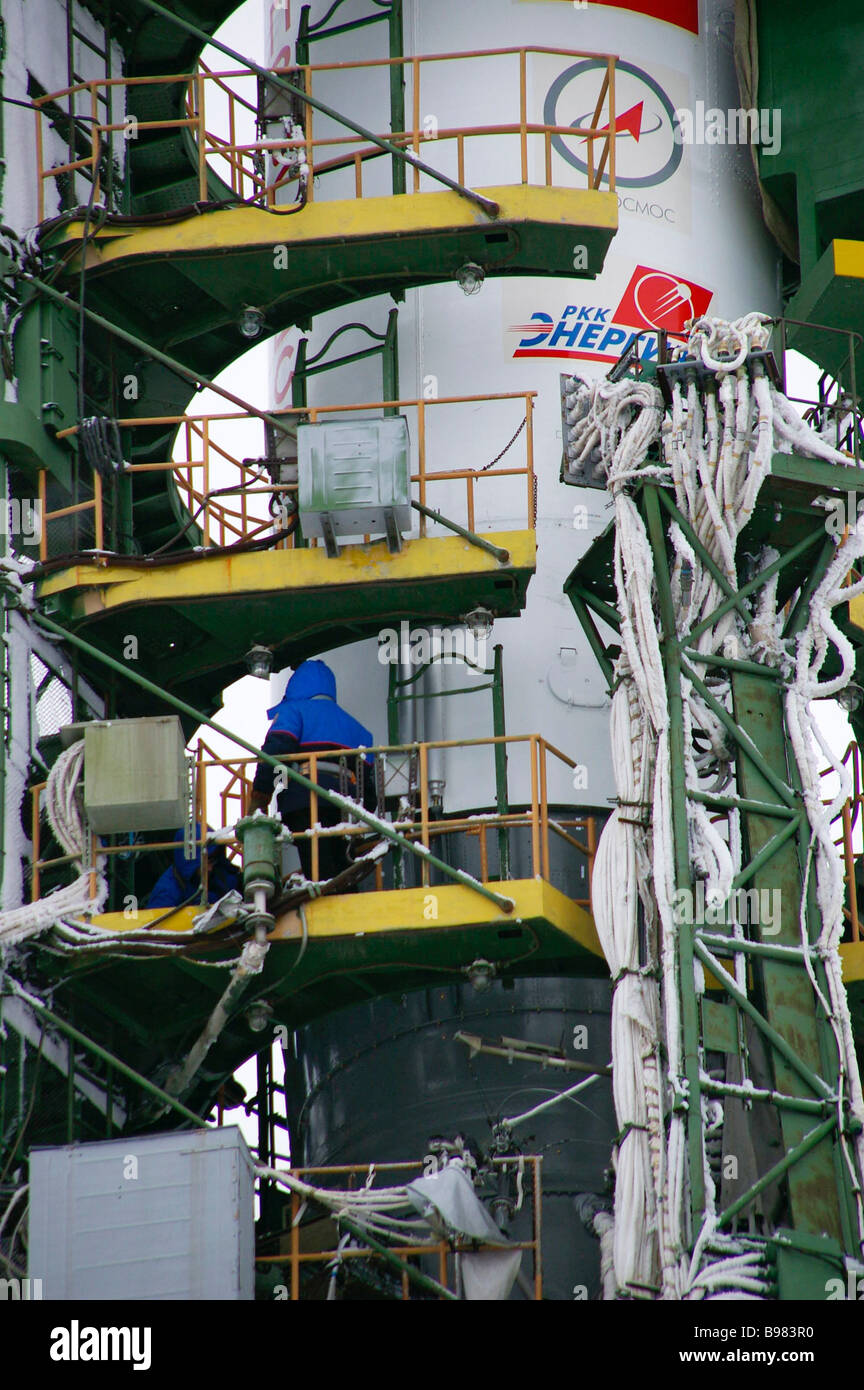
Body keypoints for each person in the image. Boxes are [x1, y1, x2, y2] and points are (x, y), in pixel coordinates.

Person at [247, 659, 374, 881]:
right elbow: (367, 783)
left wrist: (264, 797)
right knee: (341, 864)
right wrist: (367, 816)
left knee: (318, 868)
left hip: (303, 801)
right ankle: (345, 897)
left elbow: (276, 754)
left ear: (295, 686)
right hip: (345, 808)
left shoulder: (293, 711)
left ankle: (325, 900)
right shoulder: (356, 727)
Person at [145, 827, 242, 909]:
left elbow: (235, 883)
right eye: (206, 862)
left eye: (212, 861)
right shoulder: (166, 892)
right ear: (191, 861)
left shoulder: (218, 873)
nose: (210, 868)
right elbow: (157, 927)